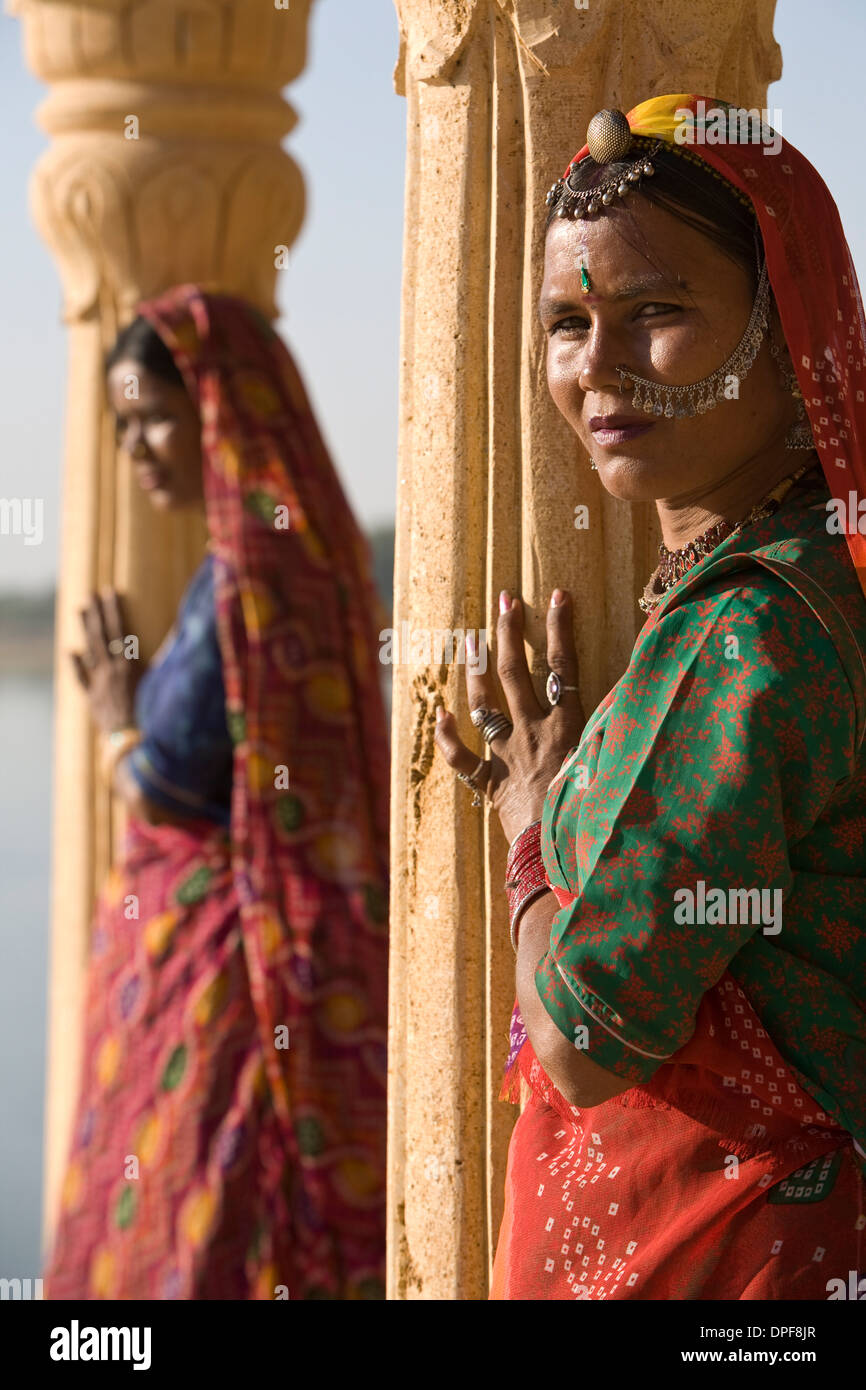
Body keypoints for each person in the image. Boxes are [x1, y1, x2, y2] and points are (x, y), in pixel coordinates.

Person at [435, 94, 866, 1300]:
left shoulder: (752, 628)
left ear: (786, 332)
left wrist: (530, 818)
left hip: (737, 1265)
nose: (596, 368)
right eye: (567, 322)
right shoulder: (796, 581)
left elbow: (580, 1035)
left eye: (656, 312)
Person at [44, 287, 390, 1300]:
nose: (135, 448)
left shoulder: (244, 583)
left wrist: (116, 718)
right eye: (122, 425)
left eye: (152, 415)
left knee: (199, 1228)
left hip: (235, 979)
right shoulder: (307, 563)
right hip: (277, 951)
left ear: (220, 407)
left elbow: (160, 785)